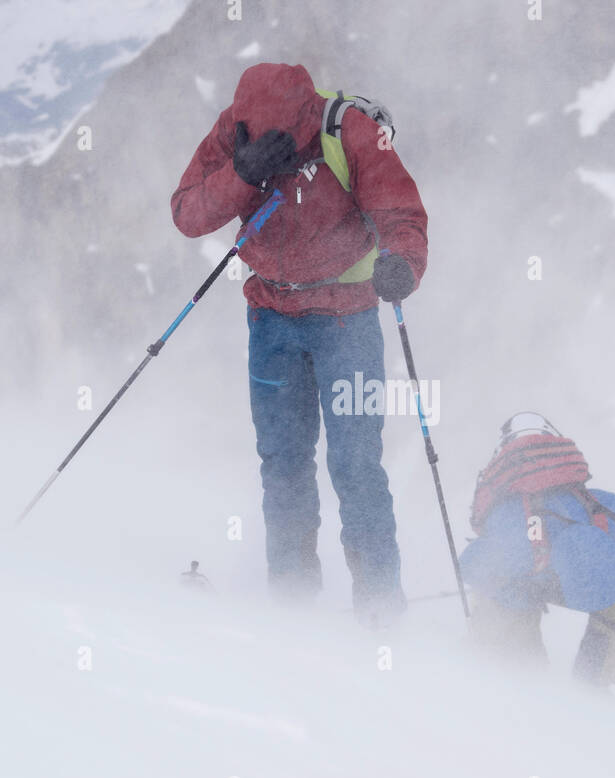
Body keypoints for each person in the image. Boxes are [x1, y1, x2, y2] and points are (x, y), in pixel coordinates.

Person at [171, 62, 428, 625]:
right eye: (249, 134)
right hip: (271, 317)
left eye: (276, 139)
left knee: (355, 464)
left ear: (304, 117)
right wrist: (241, 172)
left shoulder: (348, 129)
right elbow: (187, 213)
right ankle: (292, 606)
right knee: (283, 462)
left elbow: (400, 212)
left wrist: (402, 265)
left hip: (348, 320)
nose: (260, 142)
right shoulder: (231, 130)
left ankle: (380, 610)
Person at [458, 412, 615, 685]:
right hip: (574, 578)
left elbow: (482, 560)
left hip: (520, 582)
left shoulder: (500, 508)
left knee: (497, 597)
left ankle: (515, 676)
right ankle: (593, 682)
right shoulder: (592, 499)